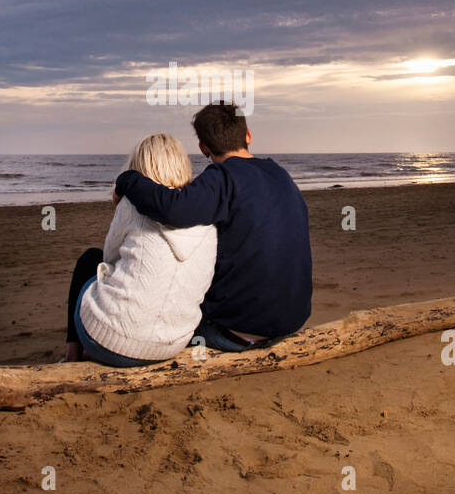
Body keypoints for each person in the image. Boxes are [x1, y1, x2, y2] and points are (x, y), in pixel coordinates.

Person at [113, 101, 312, 352]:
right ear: (248, 135)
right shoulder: (280, 175)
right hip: (290, 321)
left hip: (237, 330)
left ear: (203, 147)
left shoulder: (222, 178)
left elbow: (172, 209)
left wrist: (128, 179)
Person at [64, 133, 217, 365]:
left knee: (90, 260)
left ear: (139, 166)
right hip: (172, 345)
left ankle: (71, 356)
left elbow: (109, 258)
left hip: (110, 342)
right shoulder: (206, 214)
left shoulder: (132, 205)